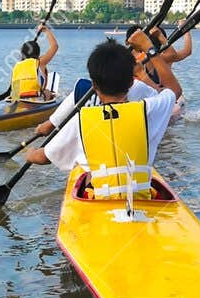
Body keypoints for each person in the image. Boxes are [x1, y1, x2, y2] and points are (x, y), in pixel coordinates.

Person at [25, 40, 181, 187]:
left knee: (84, 173)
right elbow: (174, 90)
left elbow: (43, 158)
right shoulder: (148, 110)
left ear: (93, 85)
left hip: (98, 197)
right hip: (140, 196)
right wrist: (149, 47)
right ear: (132, 82)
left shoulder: (82, 119)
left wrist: (30, 154)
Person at [10, 23, 58, 100]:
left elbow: (15, 90)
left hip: (18, 99)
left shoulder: (17, 66)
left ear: (22, 53)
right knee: (48, 92)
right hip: (36, 98)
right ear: (38, 53)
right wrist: (46, 30)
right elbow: (54, 46)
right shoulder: (40, 62)